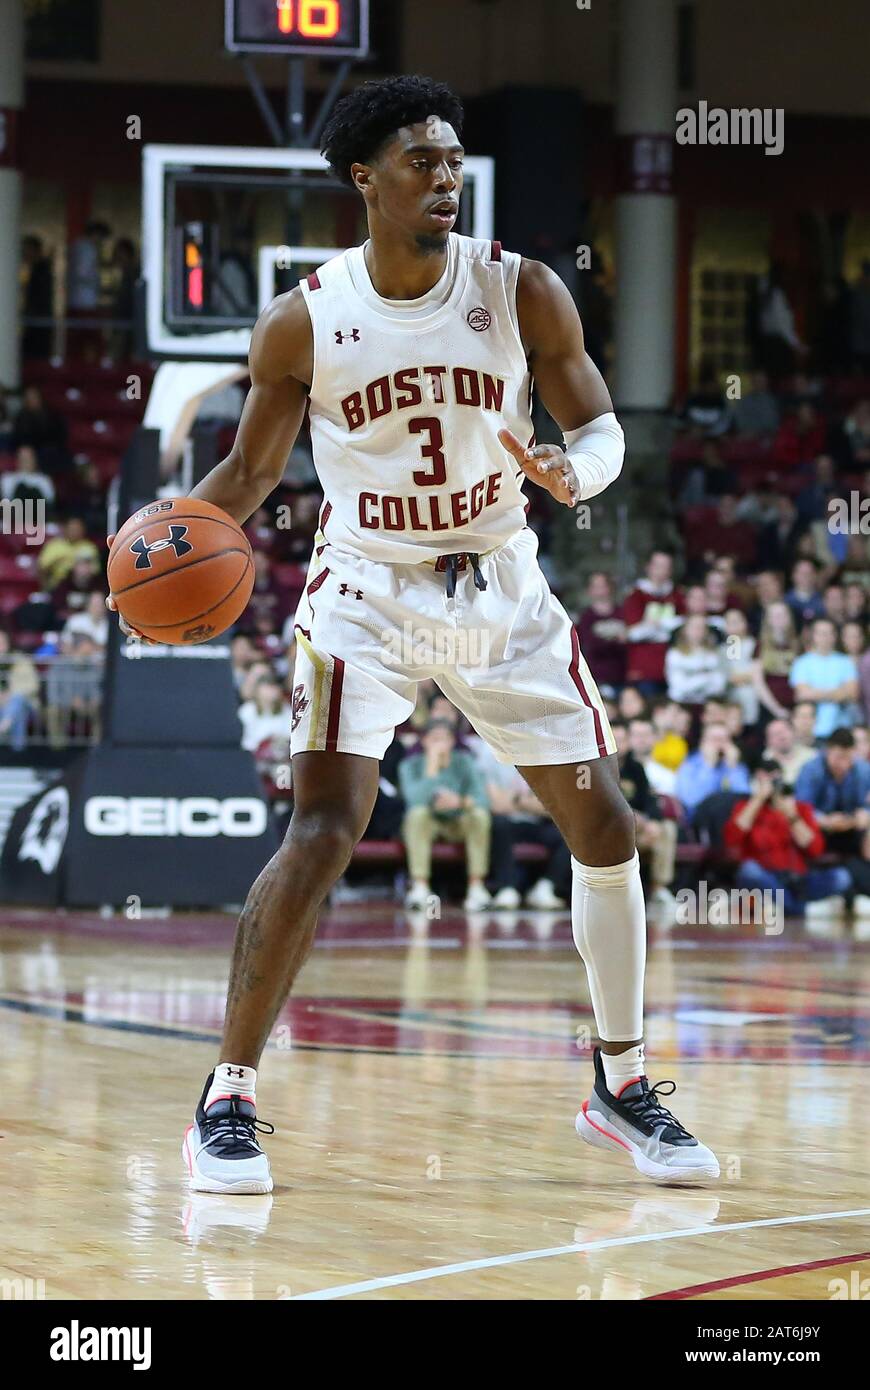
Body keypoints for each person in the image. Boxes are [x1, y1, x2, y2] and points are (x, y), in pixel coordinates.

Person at [109, 75, 716, 1192]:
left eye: (451, 160)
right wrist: (155, 543)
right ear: (364, 179)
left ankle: (620, 1086)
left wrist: (569, 471)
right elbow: (246, 476)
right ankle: (227, 1097)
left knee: (608, 829)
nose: (445, 178)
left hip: (502, 594)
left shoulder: (522, 290)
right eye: (420, 162)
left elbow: (599, 427)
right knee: (324, 828)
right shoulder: (304, 318)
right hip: (366, 592)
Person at [724, 756, 848, 919]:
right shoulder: (745, 807)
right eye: (763, 781)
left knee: (841, 877)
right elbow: (732, 839)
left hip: (796, 878)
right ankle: (797, 908)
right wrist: (758, 799)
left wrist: (792, 816)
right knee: (749, 871)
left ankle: (785, 905)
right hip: (765, 877)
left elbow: (815, 850)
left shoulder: (800, 808)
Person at [399, 718, 492, 910]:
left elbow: (482, 798)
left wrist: (458, 801)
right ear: (424, 741)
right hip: (428, 823)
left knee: (479, 815)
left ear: (452, 741)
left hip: (458, 820)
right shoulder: (410, 765)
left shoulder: (465, 761)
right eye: (434, 739)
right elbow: (413, 800)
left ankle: (476, 887)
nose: (439, 745)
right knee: (417, 814)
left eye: (444, 739)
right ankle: (420, 886)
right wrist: (431, 768)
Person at [621, 550, 684, 694]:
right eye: (658, 566)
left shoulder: (677, 595)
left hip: (672, 669)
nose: (662, 571)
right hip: (644, 667)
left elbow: (681, 629)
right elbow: (632, 633)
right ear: (648, 567)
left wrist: (655, 626)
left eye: (666, 567)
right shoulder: (636, 595)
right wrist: (665, 627)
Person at [789, 618, 860, 738]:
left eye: (829, 633)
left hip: (842, 728)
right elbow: (802, 694)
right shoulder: (802, 662)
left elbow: (852, 693)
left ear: (835, 636)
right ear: (813, 636)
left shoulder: (846, 661)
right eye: (821, 633)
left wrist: (816, 693)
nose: (825, 637)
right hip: (812, 730)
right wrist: (838, 693)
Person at [674, 720, 751, 817]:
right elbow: (692, 801)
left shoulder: (735, 766)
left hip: (731, 820)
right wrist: (709, 766)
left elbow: (745, 800)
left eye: (723, 739)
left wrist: (733, 768)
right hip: (701, 822)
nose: (718, 745)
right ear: (703, 742)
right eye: (714, 739)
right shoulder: (689, 766)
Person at [664, 613, 727, 708]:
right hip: (681, 704)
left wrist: (692, 679)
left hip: (708, 704)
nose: (698, 630)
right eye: (694, 626)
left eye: (702, 627)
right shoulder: (675, 654)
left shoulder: (714, 654)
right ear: (685, 630)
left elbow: (719, 686)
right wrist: (705, 677)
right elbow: (679, 686)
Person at [21, 235, 54, 360]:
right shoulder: (38, 269)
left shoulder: (41, 271)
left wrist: (29, 313)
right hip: (37, 322)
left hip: (38, 323)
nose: (24, 254)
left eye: (27, 250)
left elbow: (39, 298)